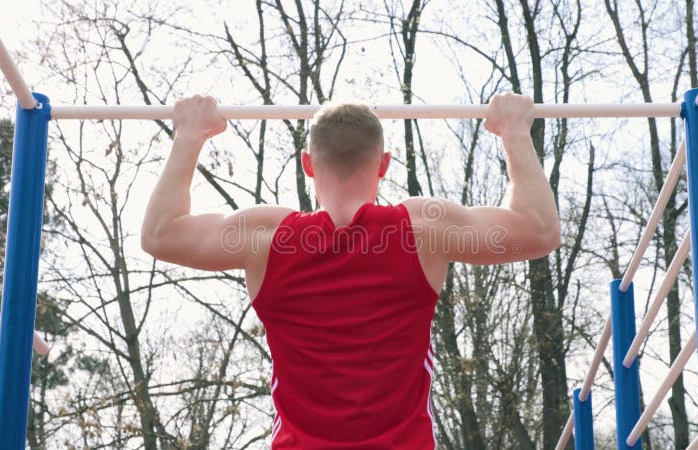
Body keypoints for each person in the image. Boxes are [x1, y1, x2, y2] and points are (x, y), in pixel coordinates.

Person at [141, 93, 561, 449]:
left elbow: (161, 234)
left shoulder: (266, 238)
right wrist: (514, 133)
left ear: (307, 163)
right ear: (384, 164)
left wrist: (190, 135)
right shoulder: (422, 229)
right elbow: (539, 230)